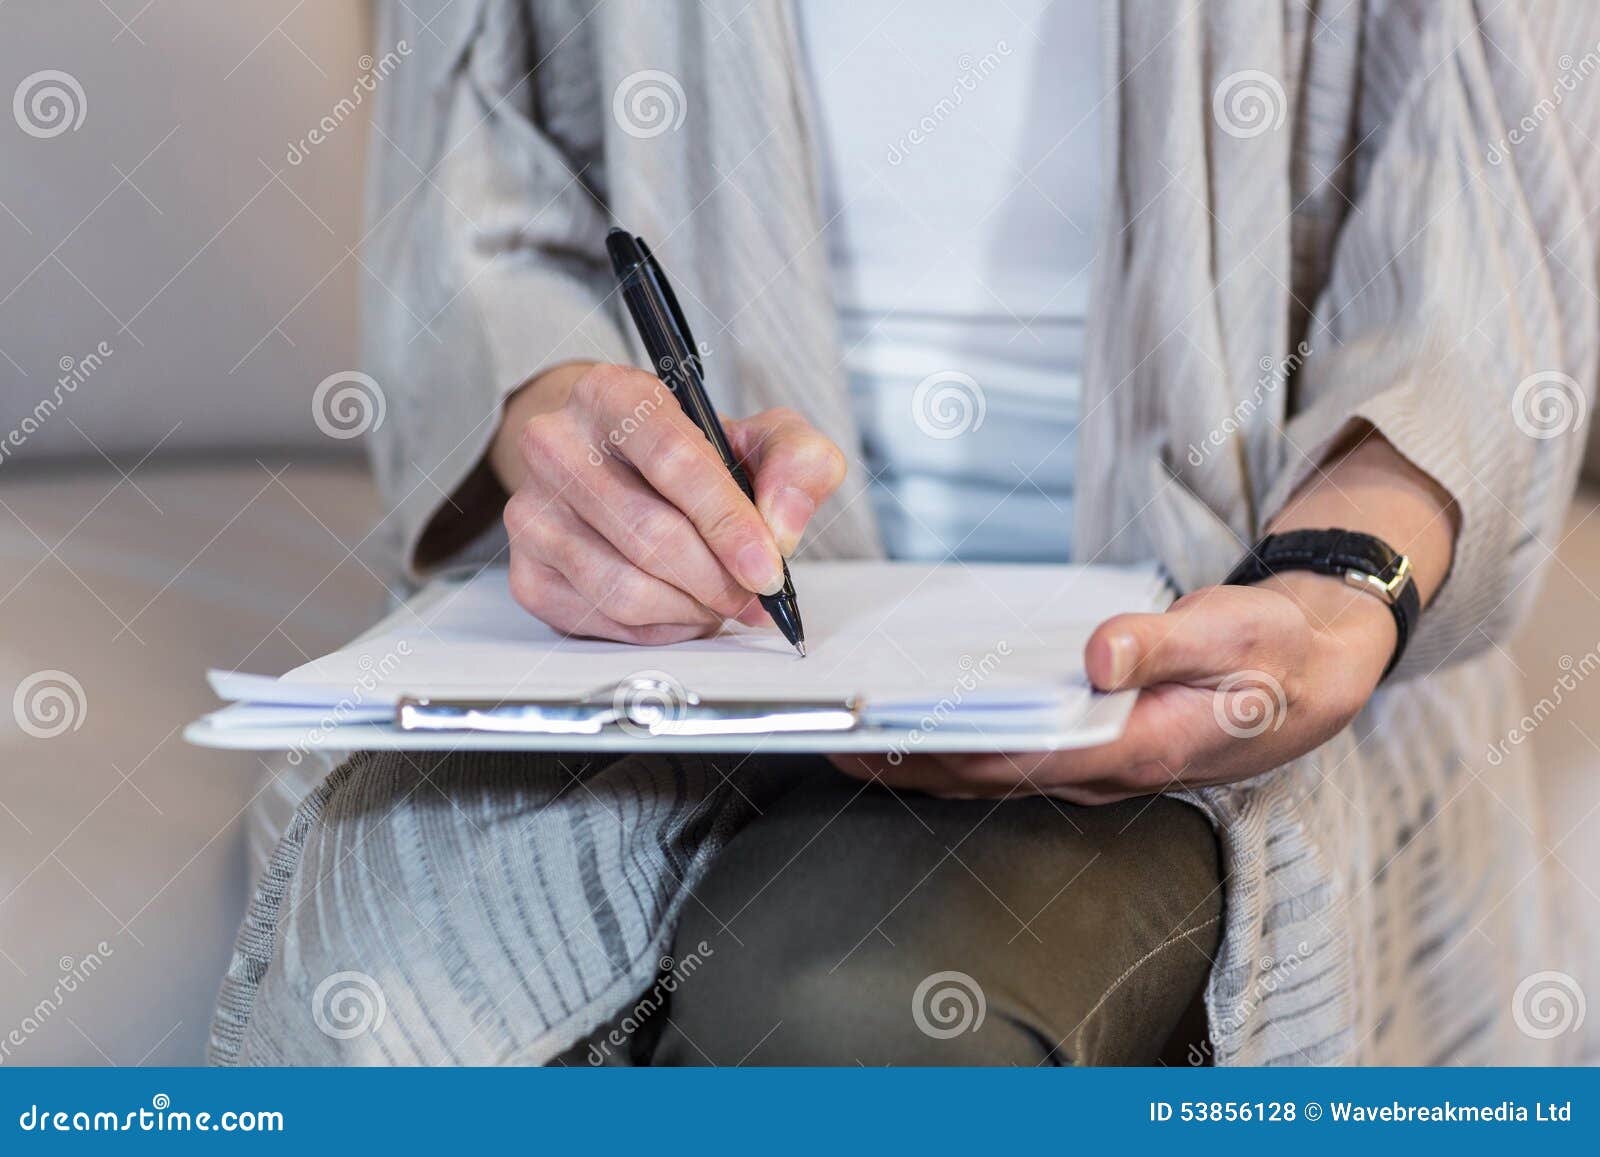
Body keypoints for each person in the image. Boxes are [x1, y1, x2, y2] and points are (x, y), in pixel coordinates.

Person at [210, 0, 1598, 1066]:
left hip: (1213, 620)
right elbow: (475, 226)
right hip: (680, 653)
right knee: (386, 998)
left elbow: (1476, 298)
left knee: (865, 1016)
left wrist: (1335, 582)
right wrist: (572, 440)